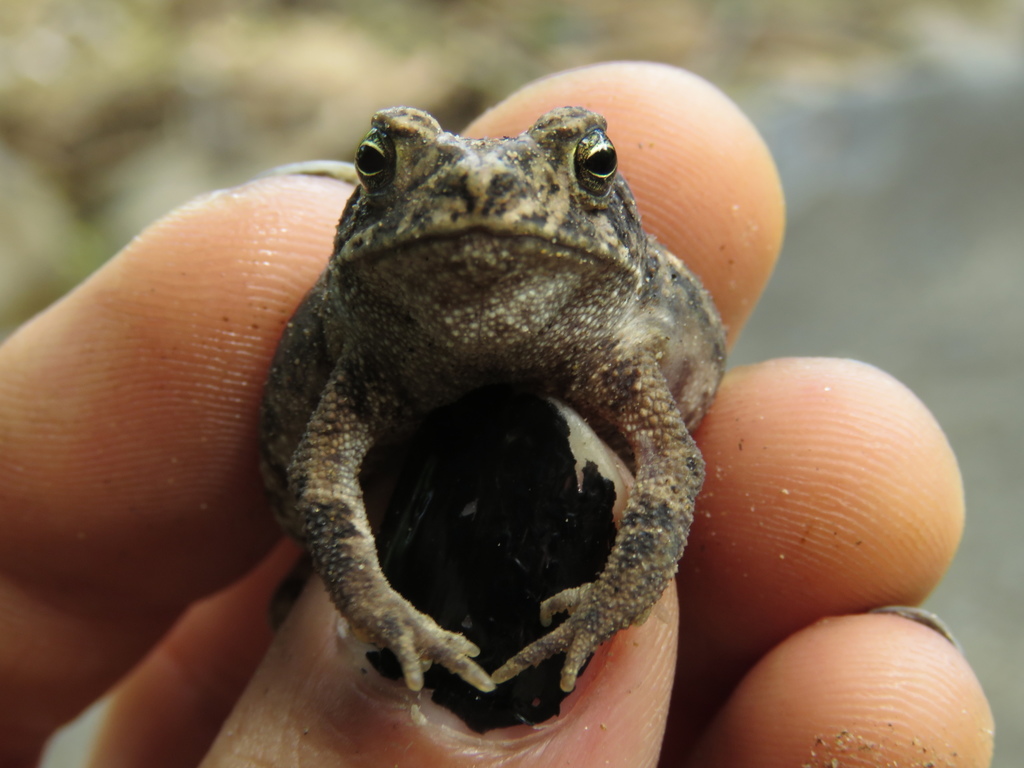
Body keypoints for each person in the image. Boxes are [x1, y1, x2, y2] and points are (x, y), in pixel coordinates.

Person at [0, 61, 993, 767]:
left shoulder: (617, 321)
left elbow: (671, 463)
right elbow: (319, 473)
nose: (477, 187)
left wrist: (611, 604)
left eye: (590, 166)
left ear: (610, 201)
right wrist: (376, 610)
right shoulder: (369, 344)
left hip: (584, 322)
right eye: (387, 166)